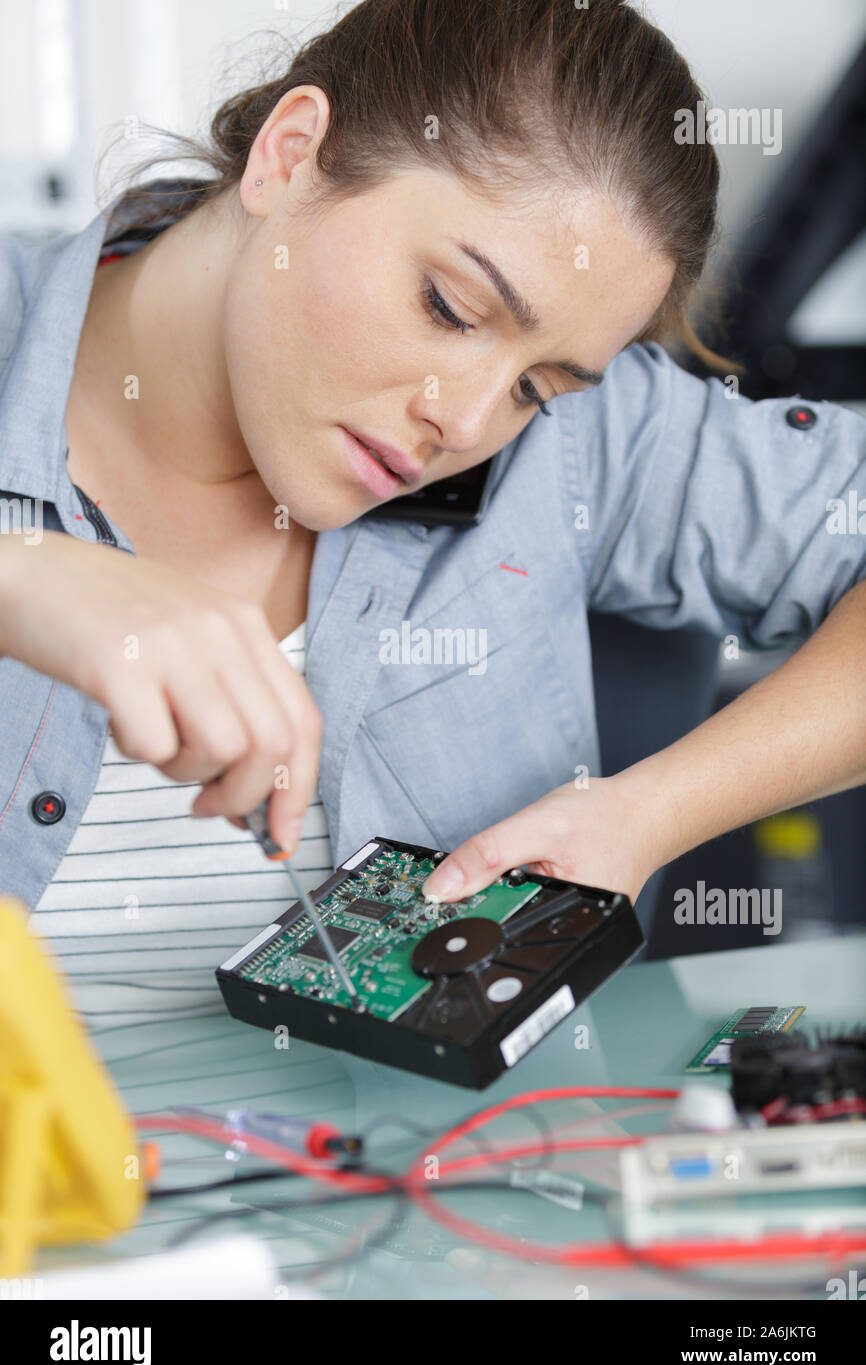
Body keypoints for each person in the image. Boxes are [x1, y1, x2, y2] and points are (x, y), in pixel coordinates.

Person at [0, 0, 864, 1023]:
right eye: (448, 306)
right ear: (289, 155)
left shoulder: (584, 441)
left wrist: (651, 812)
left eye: (537, 384)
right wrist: (26, 574)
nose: (460, 421)